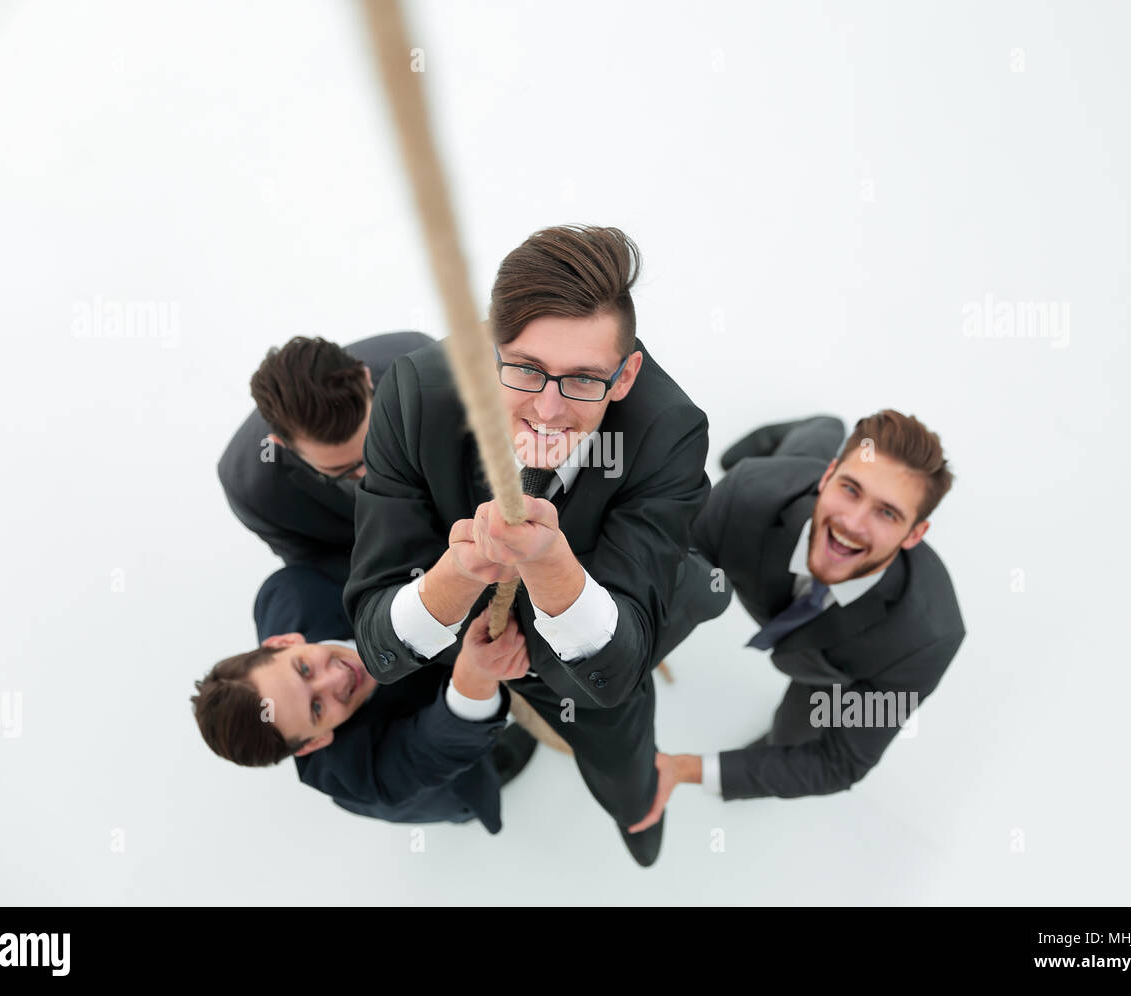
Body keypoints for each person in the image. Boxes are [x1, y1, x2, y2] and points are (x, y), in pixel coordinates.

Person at [341, 224, 728, 867]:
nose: (548, 411)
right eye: (526, 369)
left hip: (596, 618)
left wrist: (551, 567)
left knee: (620, 750)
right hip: (475, 636)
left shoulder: (668, 433)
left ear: (626, 375)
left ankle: (635, 809)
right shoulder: (414, 395)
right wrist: (459, 573)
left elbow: (615, 672)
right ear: (490, 347)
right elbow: (381, 644)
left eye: (583, 380)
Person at [630, 412, 965, 829]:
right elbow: (660, 572)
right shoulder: (748, 492)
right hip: (776, 493)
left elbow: (838, 762)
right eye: (850, 488)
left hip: (828, 671)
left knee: (792, 738)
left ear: (915, 534)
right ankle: (826, 426)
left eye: (887, 514)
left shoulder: (927, 638)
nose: (853, 524)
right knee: (809, 444)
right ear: (828, 477)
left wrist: (686, 769)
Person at [190, 563, 537, 831]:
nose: (339, 677)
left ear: (284, 642)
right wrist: (472, 680)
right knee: (448, 786)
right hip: (421, 759)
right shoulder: (353, 773)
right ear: (315, 742)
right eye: (316, 707)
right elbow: (432, 750)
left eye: (304, 670)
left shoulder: (294, 591)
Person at [217, 330, 433, 582]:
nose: (370, 473)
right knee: (289, 589)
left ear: (366, 381)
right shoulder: (253, 488)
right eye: (344, 470)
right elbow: (326, 569)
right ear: (280, 445)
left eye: (375, 447)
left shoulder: (424, 369)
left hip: (465, 529)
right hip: (379, 571)